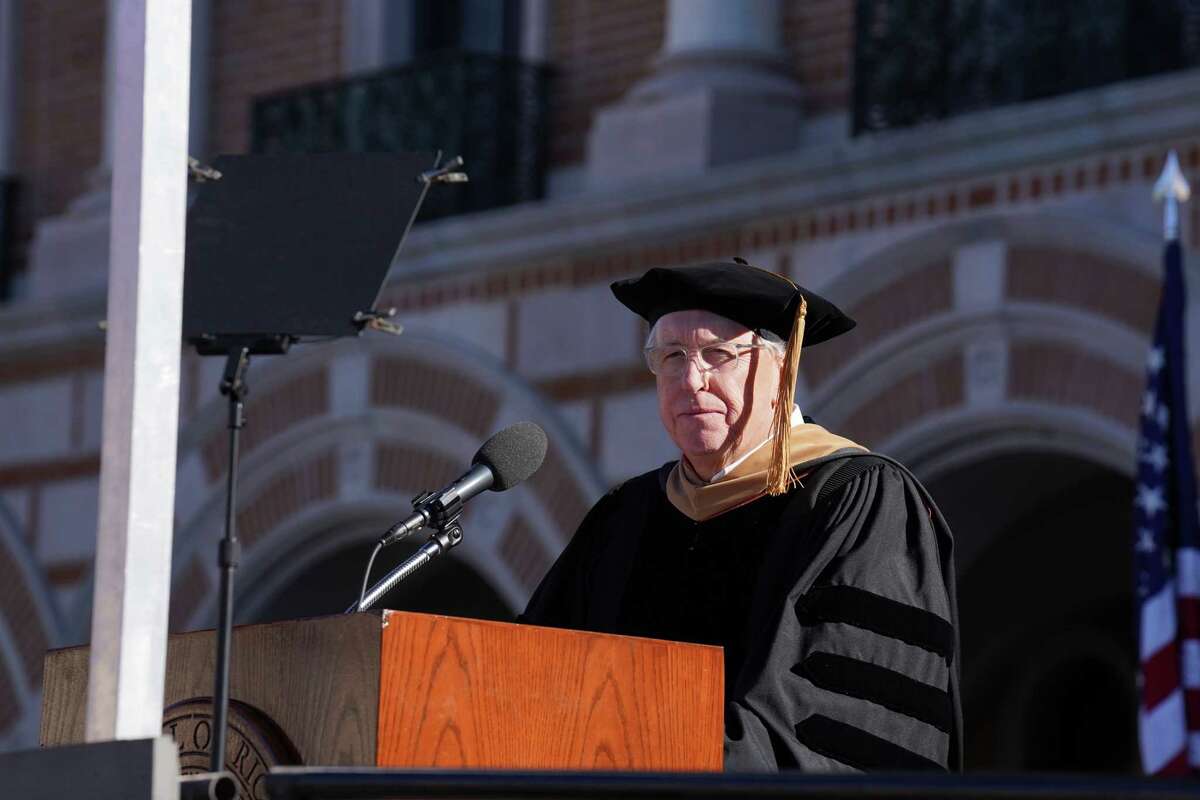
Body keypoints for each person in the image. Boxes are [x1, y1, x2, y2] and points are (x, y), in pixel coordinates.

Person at [521, 259, 962, 772]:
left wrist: (689, 757)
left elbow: (851, 727)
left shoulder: (858, 499)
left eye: (718, 354)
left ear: (782, 370)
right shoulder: (625, 516)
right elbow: (532, 673)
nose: (691, 379)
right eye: (671, 356)